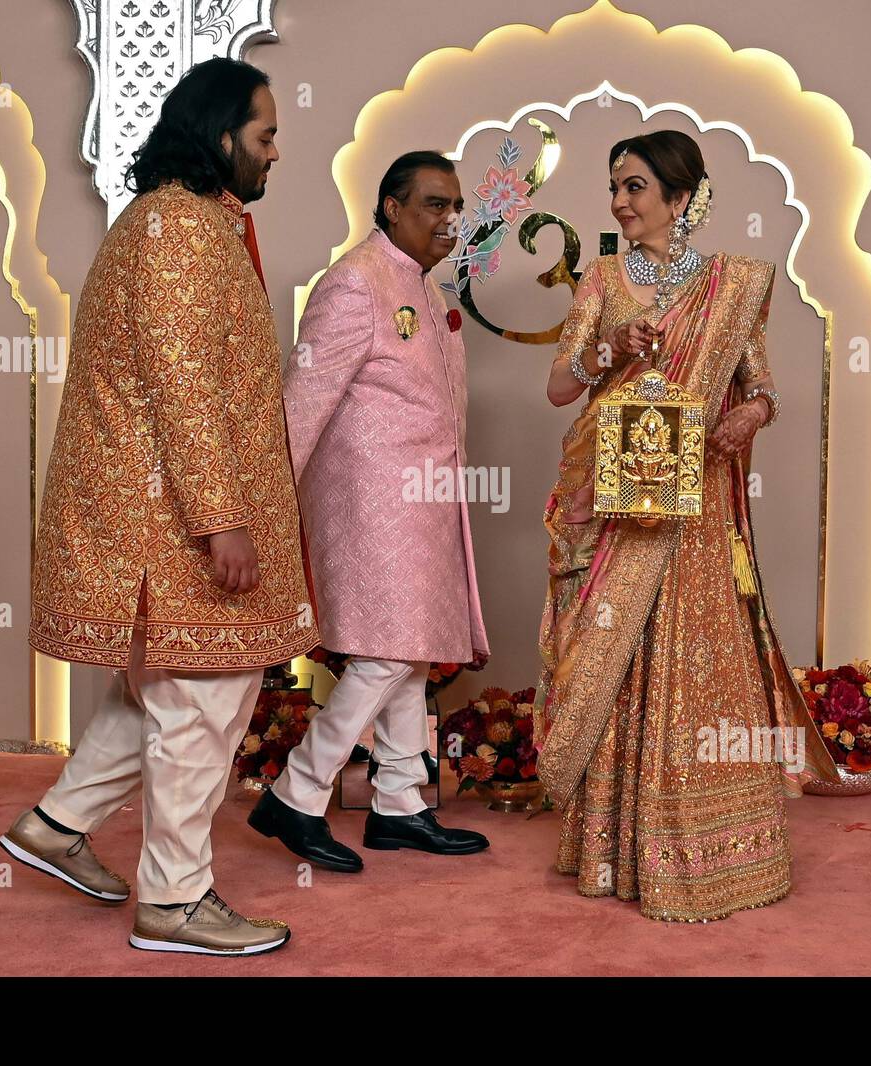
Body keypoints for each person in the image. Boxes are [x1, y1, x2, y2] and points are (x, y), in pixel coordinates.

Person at [1, 58, 317, 956]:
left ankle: (56, 825)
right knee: (203, 700)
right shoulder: (181, 230)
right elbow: (183, 387)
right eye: (264, 136)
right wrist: (221, 518)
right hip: (166, 521)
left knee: (160, 691)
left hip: (153, 510)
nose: (275, 153)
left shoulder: (185, 224)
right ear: (221, 137)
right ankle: (174, 903)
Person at [534, 130, 839, 923]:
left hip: (696, 504)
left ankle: (716, 849)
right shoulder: (601, 277)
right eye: (614, 186)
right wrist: (607, 349)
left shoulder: (734, 284)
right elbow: (560, 388)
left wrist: (750, 415)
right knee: (619, 658)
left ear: (681, 197)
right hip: (620, 499)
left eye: (635, 187)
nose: (620, 202)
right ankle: (612, 851)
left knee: (696, 665)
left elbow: (762, 385)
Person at [248, 151, 491, 871]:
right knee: (388, 650)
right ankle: (295, 793)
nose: (448, 219)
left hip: (422, 499)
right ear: (390, 206)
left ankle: (400, 804)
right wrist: (264, 510)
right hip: (370, 503)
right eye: (431, 204)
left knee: (407, 650)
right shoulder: (355, 282)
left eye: (455, 206)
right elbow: (304, 399)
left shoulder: (416, 281)